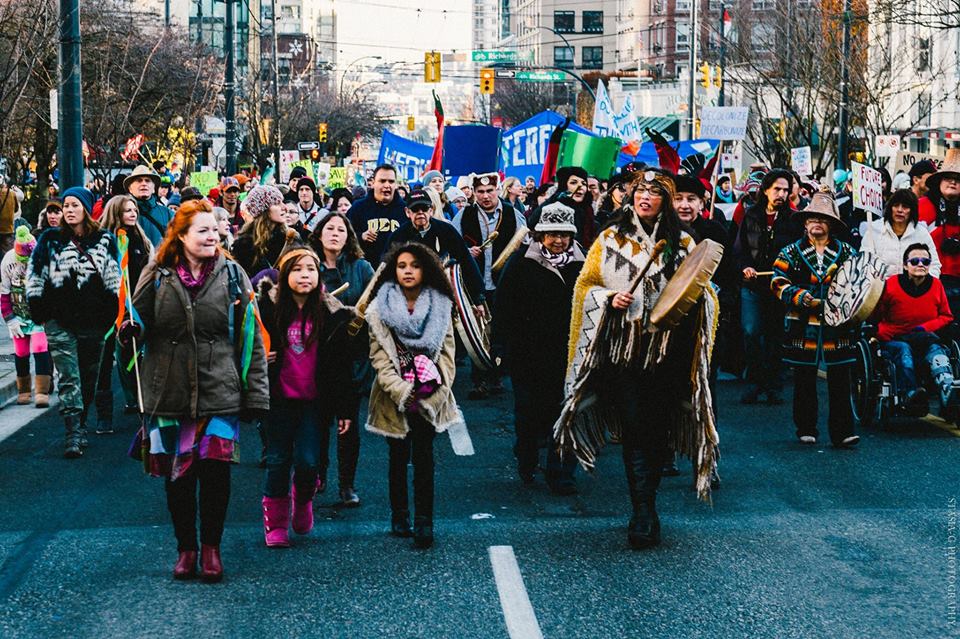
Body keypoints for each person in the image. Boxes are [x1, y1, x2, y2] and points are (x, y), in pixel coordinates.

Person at [554, 170, 719, 550]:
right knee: (633, 427)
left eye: (654, 192)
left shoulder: (681, 243)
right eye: (640, 191)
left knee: (657, 430)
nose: (645, 197)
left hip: (667, 351)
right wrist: (608, 299)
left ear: (667, 199)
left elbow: (705, 292)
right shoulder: (610, 239)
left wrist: (689, 302)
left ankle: (650, 504)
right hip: (623, 352)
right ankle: (641, 511)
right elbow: (585, 286)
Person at [125, 199, 269, 582]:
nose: (212, 235)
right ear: (182, 235)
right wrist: (130, 331)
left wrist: (256, 394)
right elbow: (136, 320)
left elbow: (249, 337)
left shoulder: (233, 274)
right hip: (167, 391)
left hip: (219, 388)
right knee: (178, 478)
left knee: (216, 474)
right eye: (202, 230)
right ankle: (185, 549)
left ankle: (212, 549)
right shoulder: (157, 273)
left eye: (215, 229)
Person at [256, 246, 358, 547]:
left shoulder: (331, 313)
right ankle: (275, 524)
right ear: (285, 275)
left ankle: (303, 501)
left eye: (310, 270)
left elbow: (342, 368)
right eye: (298, 270)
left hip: (315, 402)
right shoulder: (267, 310)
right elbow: (246, 347)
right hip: (278, 400)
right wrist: (261, 357)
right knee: (277, 460)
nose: (304, 276)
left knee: (308, 461)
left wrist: (346, 410)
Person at [365, 242, 464, 549]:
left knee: (424, 458)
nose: (408, 271)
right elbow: (379, 357)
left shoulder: (442, 305)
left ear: (427, 269)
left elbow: (448, 356)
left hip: (430, 395)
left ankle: (424, 521)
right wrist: (402, 391)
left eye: (415, 265)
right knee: (397, 457)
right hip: (393, 395)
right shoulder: (379, 307)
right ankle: (399, 515)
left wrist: (431, 393)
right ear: (394, 270)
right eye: (402, 265)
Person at [494, 201, 583, 493]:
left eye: (564, 234)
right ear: (539, 234)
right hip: (528, 352)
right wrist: (500, 346)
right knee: (529, 412)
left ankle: (562, 472)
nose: (558, 240)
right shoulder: (521, 262)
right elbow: (504, 306)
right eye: (551, 233)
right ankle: (527, 456)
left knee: (567, 411)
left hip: (569, 351)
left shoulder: (584, 264)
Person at [26, 186, 121, 458]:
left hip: (93, 322)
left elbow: (112, 280)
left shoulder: (104, 240)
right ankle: (73, 433)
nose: (68, 210)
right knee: (69, 376)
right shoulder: (49, 239)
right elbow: (35, 275)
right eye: (65, 205)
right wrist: (40, 310)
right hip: (59, 320)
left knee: (88, 376)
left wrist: (109, 315)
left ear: (86, 209)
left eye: (74, 205)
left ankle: (81, 421)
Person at [771, 193, 859, 448]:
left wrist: (842, 301)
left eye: (823, 219)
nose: (817, 223)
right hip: (802, 322)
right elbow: (777, 281)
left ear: (831, 224)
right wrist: (800, 297)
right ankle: (806, 427)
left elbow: (859, 282)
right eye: (812, 218)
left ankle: (843, 432)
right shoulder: (791, 251)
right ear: (805, 223)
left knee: (841, 377)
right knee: (804, 377)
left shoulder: (846, 252)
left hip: (837, 322)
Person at [307, 211, 375, 506]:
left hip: (351, 358)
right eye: (329, 228)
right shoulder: (307, 266)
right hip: (316, 356)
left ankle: (347, 484)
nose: (335, 233)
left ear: (349, 237)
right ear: (319, 234)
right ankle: (318, 475)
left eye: (341, 230)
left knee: (348, 424)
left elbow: (377, 305)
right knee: (318, 422)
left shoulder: (361, 268)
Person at [452, 172, 527, 399]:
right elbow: (450, 246)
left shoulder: (513, 214)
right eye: (480, 192)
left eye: (490, 191)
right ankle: (479, 380)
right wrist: (465, 252)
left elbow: (525, 245)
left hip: (503, 283)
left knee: (500, 331)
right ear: (474, 193)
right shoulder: (464, 215)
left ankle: (496, 376)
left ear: (497, 191)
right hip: (474, 284)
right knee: (477, 331)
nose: (485, 196)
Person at [733, 169, 802, 405]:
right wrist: (745, 268)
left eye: (785, 190)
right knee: (751, 331)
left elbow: (797, 253)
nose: (782, 194)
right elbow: (739, 249)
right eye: (777, 189)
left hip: (779, 287)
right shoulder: (750, 215)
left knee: (774, 336)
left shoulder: (794, 220)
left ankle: (773, 384)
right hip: (752, 285)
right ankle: (754, 381)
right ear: (765, 190)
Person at [93, 195, 154, 432]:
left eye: (134, 209)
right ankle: (104, 415)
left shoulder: (141, 240)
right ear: (116, 213)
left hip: (136, 307)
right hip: (108, 309)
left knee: (140, 356)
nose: (132, 213)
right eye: (127, 210)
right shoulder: (103, 241)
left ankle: (140, 402)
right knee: (104, 361)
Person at [874, 243, 955, 410]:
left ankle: (948, 392)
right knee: (904, 352)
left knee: (938, 355)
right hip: (897, 339)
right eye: (915, 261)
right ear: (905, 265)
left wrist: (925, 328)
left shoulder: (936, 285)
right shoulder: (891, 284)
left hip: (924, 337)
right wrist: (886, 333)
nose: (920, 264)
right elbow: (877, 316)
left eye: (925, 261)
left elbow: (946, 316)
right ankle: (911, 394)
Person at [385, 188, 484, 304]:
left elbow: (466, 262)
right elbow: (386, 270)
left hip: (445, 297)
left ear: (431, 210)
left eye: (425, 208)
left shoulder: (447, 231)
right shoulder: (398, 237)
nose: (420, 212)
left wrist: (477, 299)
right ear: (407, 212)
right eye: (415, 209)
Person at [1, 227, 53, 407]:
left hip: (37, 314)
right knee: (21, 351)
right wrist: (9, 319)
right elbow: (4, 294)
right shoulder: (8, 262)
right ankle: (23, 390)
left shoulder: (42, 258)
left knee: (40, 347)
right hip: (18, 314)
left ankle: (41, 391)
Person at [860, 189, 940, 277]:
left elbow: (934, 265)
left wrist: (923, 286)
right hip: (880, 288)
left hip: (912, 289)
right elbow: (863, 263)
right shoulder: (874, 229)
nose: (900, 210)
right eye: (896, 205)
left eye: (905, 207)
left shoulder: (921, 233)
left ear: (912, 210)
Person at [348, 164, 407, 265]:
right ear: (373, 183)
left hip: (397, 269)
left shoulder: (406, 210)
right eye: (382, 181)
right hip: (366, 271)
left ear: (396, 185)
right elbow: (345, 236)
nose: (387, 185)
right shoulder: (358, 208)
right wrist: (361, 236)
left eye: (391, 181)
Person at [232, 185, 294, 278]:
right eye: (277, 203)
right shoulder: (244, 245)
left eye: (282, 202)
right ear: (262, 209)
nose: (284, 207)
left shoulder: (290, 238)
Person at [528, 167, 596, 246]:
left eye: (584, 184)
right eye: (573, 182)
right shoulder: (552, 205)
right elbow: (532, 222)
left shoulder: (588, 210)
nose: (580, 186)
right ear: (564, 185)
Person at [928, 151, 960, 317]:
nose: (953, 182)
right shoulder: (923, 206)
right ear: (939, 182)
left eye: (958, 179)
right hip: (931, 281)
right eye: (948, 177)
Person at [125, 165, 174, 248]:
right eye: (139, 181)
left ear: (154, 188)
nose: (144, 184)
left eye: (147, 181)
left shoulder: (168, 213)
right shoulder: (121, 212)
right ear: (130, 188)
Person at [910, 159, 939, 225]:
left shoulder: (933, 200)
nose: (934, 182)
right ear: (916, 180)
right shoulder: (902, 200)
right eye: (930, 178)